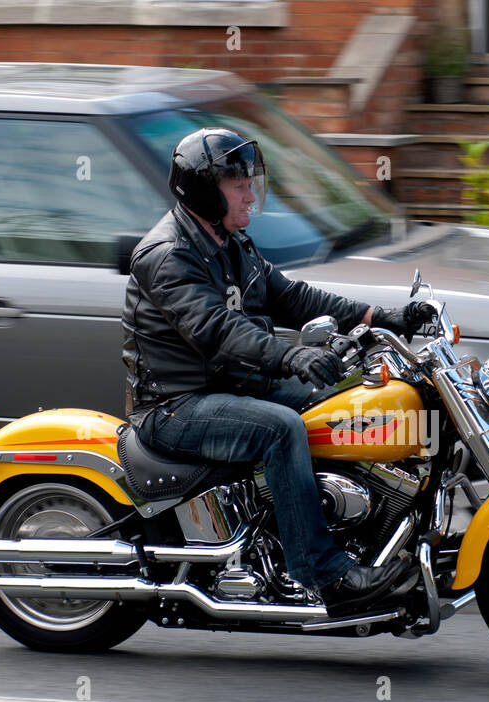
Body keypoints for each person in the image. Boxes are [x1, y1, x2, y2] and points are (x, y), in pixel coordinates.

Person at [121, 127, 428, 614]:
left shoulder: (229, 241)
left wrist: (378, 316)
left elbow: (291, 297)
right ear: (203, 191)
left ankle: (362, 529)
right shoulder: (168, 255)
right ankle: (324, 573)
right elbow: (216, 328)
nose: (250, 194)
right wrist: (292, 356)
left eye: (250, 182)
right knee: (281, 430)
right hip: (176, 406)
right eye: (237, 185)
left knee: (346, 399)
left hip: (231, 388)